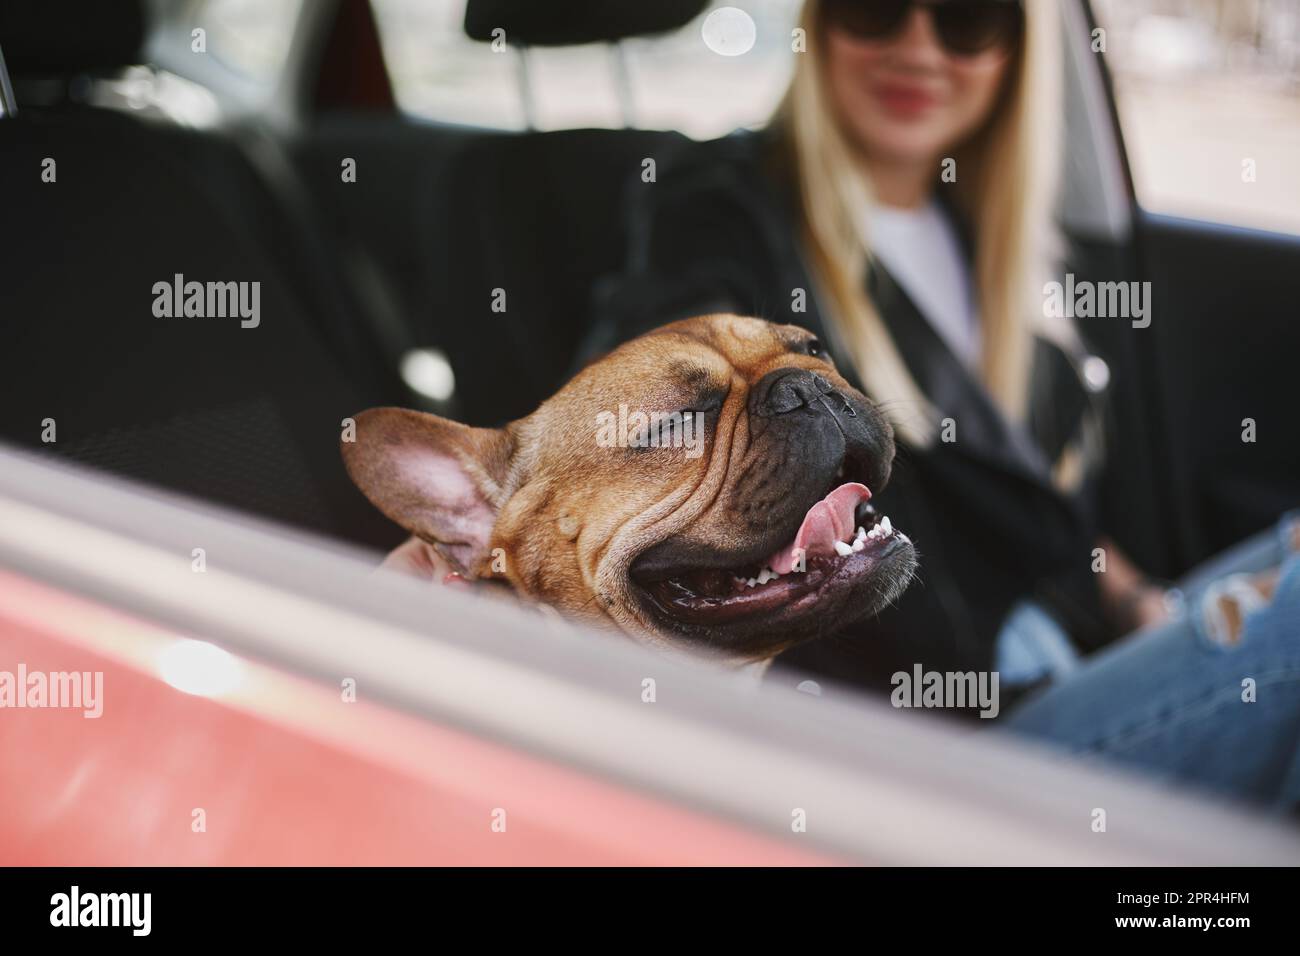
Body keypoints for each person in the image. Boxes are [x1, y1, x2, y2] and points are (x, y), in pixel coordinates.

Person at [571, 0, 1300, 810]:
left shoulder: (983, 225)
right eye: (874, 10)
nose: (918, 50)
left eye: (967, 18)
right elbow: (647, 388)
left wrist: (1134, 603)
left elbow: (1026, 503)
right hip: (941, 756)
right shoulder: (722, 210)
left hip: (1065, 659)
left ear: (1015, 56)